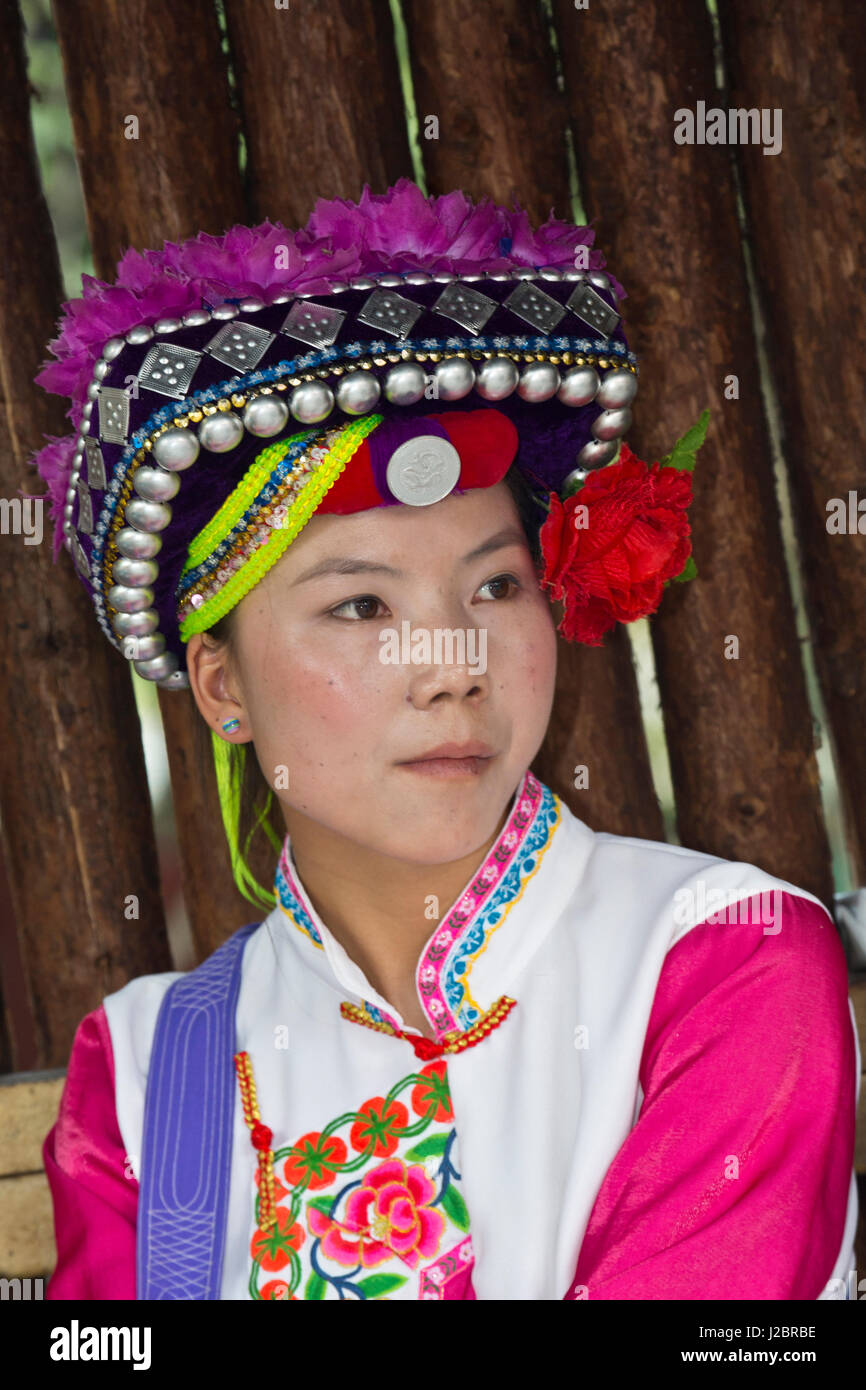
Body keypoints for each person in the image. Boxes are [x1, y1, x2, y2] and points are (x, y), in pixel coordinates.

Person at [30, 179, 859, 1301]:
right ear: (222, 687)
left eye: (494, 586)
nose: (453, 664)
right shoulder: (142, 1078)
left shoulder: (720, 958)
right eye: (362, 607)